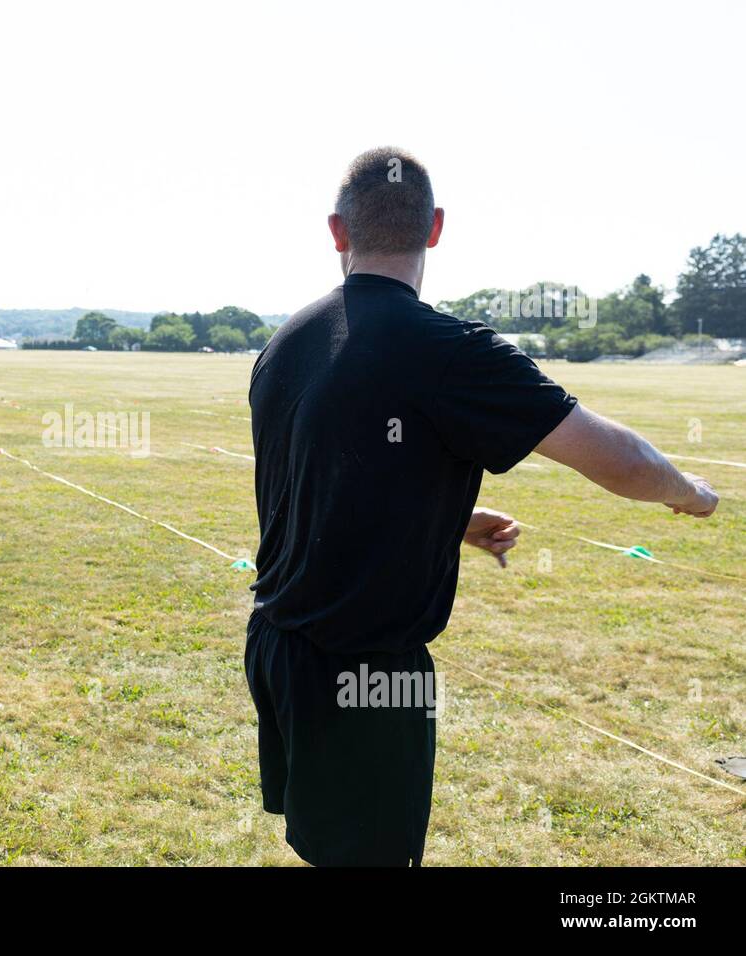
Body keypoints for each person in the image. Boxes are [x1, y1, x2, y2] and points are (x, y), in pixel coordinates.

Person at [246, 147, 719, 867]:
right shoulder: (448, 350)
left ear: (337, 232)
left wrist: (448, 521)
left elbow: (314, 477)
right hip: (366, 672)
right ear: (435, 228)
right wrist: (691, 493)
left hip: (277, 646)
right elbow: (617, 458)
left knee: (325, 848)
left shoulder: (288, 341)